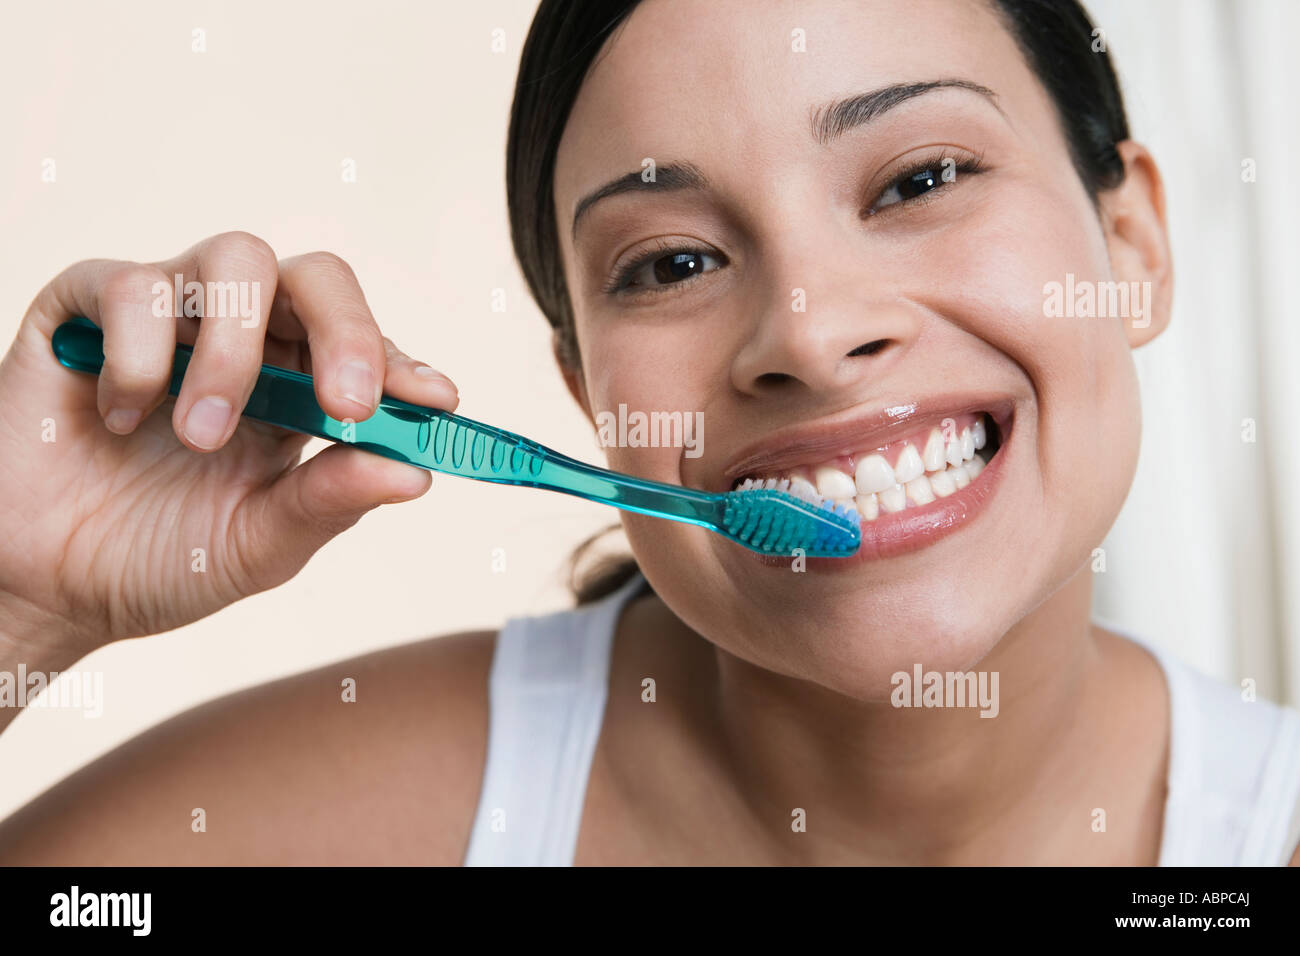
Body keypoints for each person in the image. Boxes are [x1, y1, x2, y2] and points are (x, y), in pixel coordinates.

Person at [1, 0, 1297, 865]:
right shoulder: (357, 813)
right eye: (671, 262)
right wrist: (19, 608)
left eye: (920, 180)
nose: (806, 328)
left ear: (1131, 247)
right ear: (586, 393)